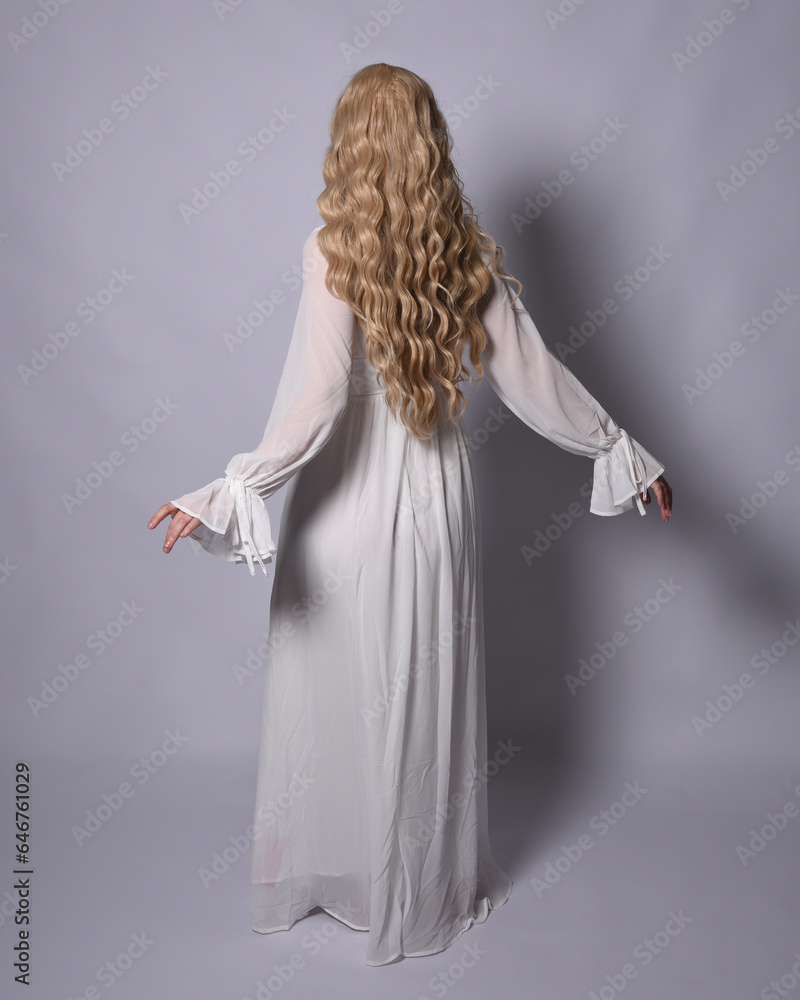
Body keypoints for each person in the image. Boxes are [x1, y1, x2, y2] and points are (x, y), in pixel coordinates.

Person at [148, 63, 672, 967]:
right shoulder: (465, 253)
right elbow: (536, 380)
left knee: (334, 692)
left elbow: (314, 406)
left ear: (350, 142)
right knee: (416, 694)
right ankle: (407, 883)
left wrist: (235, 489)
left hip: (344, 506)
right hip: (437, 504)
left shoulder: (331, 249)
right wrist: (618, 448)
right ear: (431, 139)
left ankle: (341, 873)